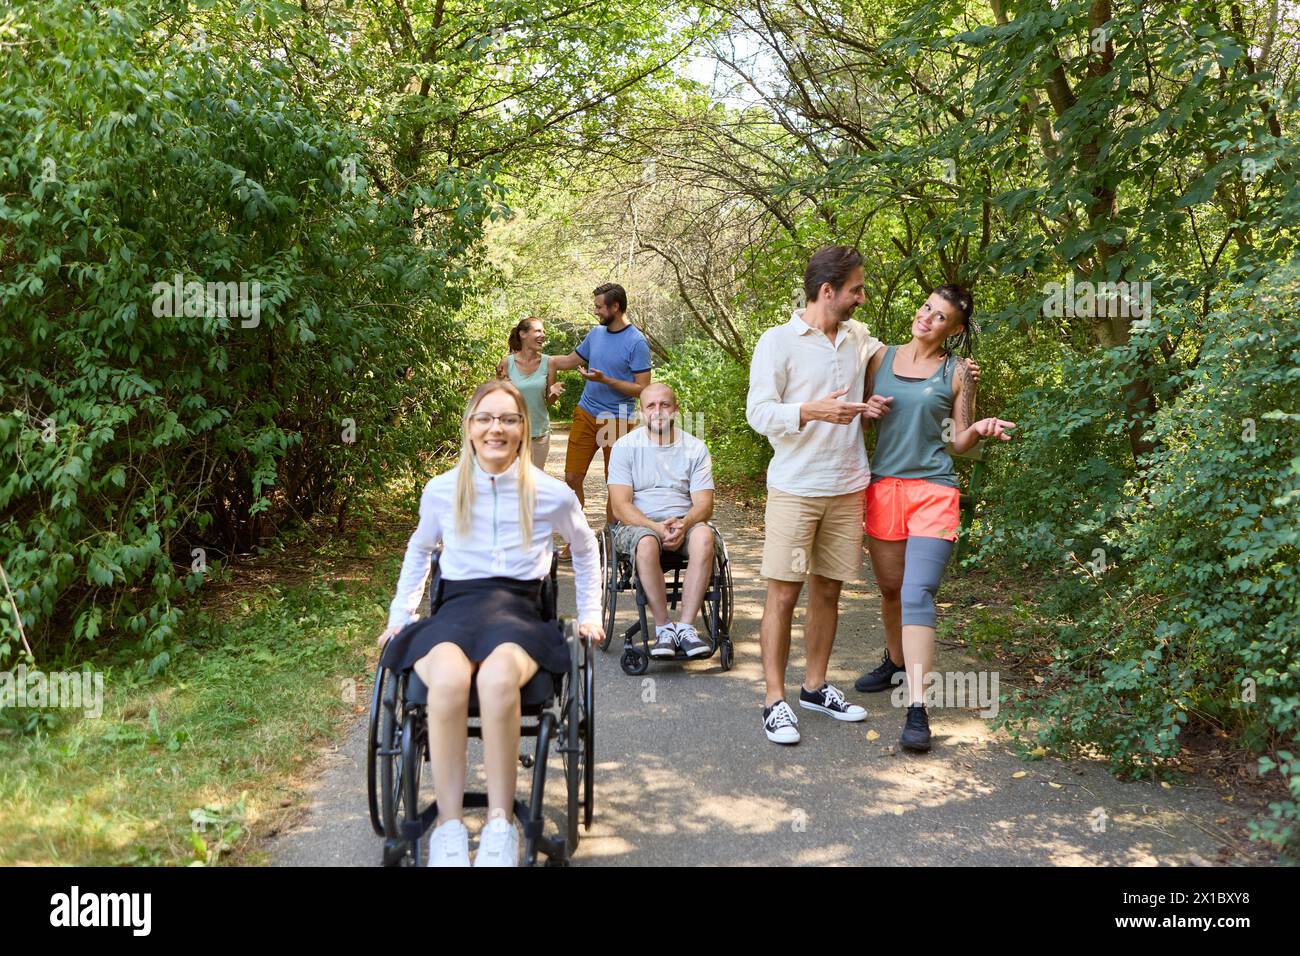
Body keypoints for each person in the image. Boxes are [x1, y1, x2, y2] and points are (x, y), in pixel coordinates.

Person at [377, 379, 604, 866]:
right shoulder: (441, 490)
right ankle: (450, 829)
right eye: (485, 418)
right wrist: (401, 615)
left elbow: (586, 549)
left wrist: (589, 615)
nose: (495, 428)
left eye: (507, 419)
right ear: (470, 427)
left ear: (523, 428)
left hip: (520, 611)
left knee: (499, 680)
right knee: (447, 679)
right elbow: (419, 550)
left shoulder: (551, 494)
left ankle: (501, 825)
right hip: (456, 609)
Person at [852, 285, 1014, 752]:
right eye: (926, 307)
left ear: (954, 330)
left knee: (917, 592)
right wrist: (867, 412)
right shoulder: (878, 358)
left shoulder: (957, 371)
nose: (926, 317)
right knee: (890, 589)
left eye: (940, 316)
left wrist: (978, 428)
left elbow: (958, 441)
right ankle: (896, 662)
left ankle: (918, 708)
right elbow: (858, 418)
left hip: (935, 491)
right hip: (884, 488)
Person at [745, 246, 881, 744]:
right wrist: (809, 411)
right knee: (784, 592)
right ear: (828, 291)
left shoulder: (857, 337)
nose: (861, 298)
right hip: (796, 487)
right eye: (855, 290)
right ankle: (774, 700)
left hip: (848, 485)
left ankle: (815, 687)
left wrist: (952, 369)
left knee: (828, 590)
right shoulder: (777, 341)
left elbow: (902, 361)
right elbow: (758, 413)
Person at [606, 383, 717, 659]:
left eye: (665, 404)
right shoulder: (624, 447)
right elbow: (620, 506)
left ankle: (686, 628)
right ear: (641, 412)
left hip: (684, 522)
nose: (658, 411)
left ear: (676, 409)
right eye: (651, 406)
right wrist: (655, 528)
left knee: (705, 537)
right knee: (646, 543)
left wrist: (684, 523)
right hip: (639, 525)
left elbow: (704, 504)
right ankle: (664, 627)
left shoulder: (695, 448)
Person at [548, 283, 652, 551]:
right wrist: (535, 359)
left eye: (599, 307)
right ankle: (577, 538)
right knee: (572, 478)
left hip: (618, 417)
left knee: (615, 483)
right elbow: (570, 360)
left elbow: (642, 388)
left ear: (615, 307)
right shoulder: (595, 334)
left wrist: (606, 380)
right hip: (586, 412)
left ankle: (611, 539)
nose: (595, 311)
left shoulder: (636, 342)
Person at [496, 316, 563, 470]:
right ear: (523, 334)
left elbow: (550, 401)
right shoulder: (506, 362)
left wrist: (555, 393)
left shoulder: (549, 362)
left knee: (535, 479)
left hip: (539, 433)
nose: (543, 335)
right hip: (512, 432)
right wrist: (501, 386)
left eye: (544, 331)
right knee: (512, 478)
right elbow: (498, 402)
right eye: (538, 331)